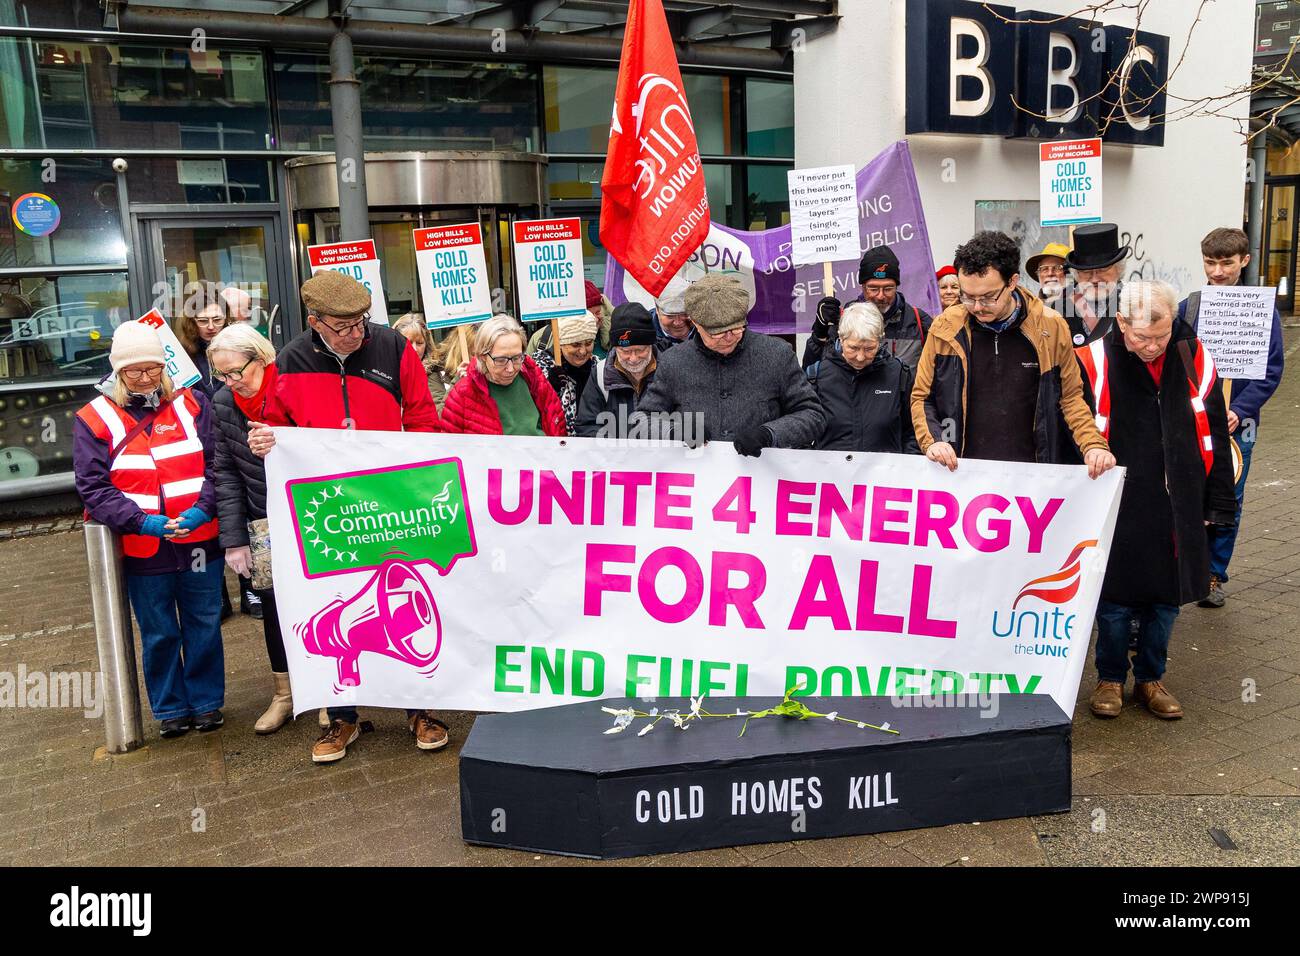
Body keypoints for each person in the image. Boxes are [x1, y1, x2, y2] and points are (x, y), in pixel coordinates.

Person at [247, 270, 444, 764]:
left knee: (402, 594)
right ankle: (342, 717)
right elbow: (276, 428)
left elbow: (421, 416)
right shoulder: (289, 362)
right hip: (328, 509)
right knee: (330, 599)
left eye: (361, 322)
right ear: (314, 322)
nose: (356, 333)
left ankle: (419, 709)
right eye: (343, 325)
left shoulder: (394, 348)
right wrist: (266, 442)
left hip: (392, 501)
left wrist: (416, 480)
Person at [1076, 281, 1237, 720]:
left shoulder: (1193, 356)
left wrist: (1217, 503)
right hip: (1118, 500)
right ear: (1122, 323)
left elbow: (1216, 432)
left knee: (1166, 600)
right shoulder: (1093, 360)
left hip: (1178, 496)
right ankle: (1109, 678)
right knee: (1114, 600)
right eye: (1141, 337)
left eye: (1160, 337)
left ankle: (1150, 678)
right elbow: (1074, 430)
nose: (1151, 347)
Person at [73, 322, 225, 739]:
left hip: (197, 538)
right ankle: (171, 707)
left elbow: (217, 465)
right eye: (134, 371)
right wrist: (142, 521)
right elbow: (93, 487)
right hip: (144, 544)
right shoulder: (94, 417)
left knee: (204, 622)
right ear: (117, 371)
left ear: (164, 367)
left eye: (153, 369)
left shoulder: (194, 404)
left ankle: (207, 703)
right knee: (159, 630)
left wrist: (201, 510)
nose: (144, 378)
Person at [911, 230, 1115, 477]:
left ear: (1012, 282)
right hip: (962, 476)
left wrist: (1092, 445)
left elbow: (1071, 397)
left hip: (1031, 477)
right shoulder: (944, 328)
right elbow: (922, 396)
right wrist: (933, 441)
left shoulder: (1050, 327)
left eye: (988, 297)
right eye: (968, 297)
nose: (977, 307)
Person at [1178, 227, 1286, 608]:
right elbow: (1174, 361)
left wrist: (1239, 411)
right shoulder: (1189, 306)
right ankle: (1183, 564)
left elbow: (1271, 371)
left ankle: (1213, 573)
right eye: (1211, 262)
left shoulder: (1262, 310)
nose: (1218, 271)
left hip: (1240, 425)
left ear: (1245, 260)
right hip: (1192, 419)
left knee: (1229, 498)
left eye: (1226, 263)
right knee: (1186, 489)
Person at [208, 323, 294, 734]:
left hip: (313, 514)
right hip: (264, 519)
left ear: (261, 360)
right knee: (274, 609)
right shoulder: (222, 403)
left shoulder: (293, 387)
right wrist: (235, 539)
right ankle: (285, 694)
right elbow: (224, 472)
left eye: (236, 371)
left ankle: (333, 697)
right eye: (221, 375)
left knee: (323, 604)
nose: (230, 382)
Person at [635, 273, 825, 454]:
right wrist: (677, 431)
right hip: (696, 478)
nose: (728, 338)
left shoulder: (777, 355)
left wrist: (770, 434)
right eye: (717, 333)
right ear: (695, 323)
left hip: (762, 478)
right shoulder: (673, 361)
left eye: (735, 329)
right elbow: (642, 420)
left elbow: (812, 415)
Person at [807, 302, 919, 454]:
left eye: (869, 349)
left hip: (885, 474)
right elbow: (802, 431)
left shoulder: (899, 374)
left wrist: (904, 468)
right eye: (853, 348)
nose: (860, 357)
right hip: (832, 474)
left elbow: (913, 431)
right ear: (841, 338)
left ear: (880, 341)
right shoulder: (817, 375)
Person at [805, 243, 932, 371]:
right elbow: (811, 374)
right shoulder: (843, 320)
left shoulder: (918, 322)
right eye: (873, 288)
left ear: (896, 286)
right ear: (862, 286)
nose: (881, 296)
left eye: (888, 288)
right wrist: (819, 334)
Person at [441, 315, 567, 436]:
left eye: (517, 358)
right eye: (501, 360)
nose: (511, 369)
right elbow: (449, 446)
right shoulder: (463, 393)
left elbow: (557, 428)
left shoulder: (534, 377)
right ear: (482, 356)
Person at [575, 303, 660, 438]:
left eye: (640, 350)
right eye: (625, 351)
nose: (633, 358)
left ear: (650, 345)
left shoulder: (670, 370)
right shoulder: (600, 373)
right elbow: (587, 425)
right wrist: (616, 452)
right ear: (615, 348)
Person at [531, 312, 598, 435]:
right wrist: (550, 388)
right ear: (560, 343)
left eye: (588, 343)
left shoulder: (598, 368)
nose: (583, 351)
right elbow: (532, 415)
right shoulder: (538, 368)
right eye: (575, 344)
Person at [1063, 223, 1128, 346]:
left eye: (1103, 269)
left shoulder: (1135, 302)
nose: (1094, 279)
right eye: (1086, 271)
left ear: (1119, 269)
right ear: (1076, 274)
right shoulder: (1061, 307)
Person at [527, 281, 612, 356]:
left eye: (598, 312)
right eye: (588, 315)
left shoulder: (612, 334)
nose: (595, 319)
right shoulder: (542, 338)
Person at [393, 312, 452, 411]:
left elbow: (441, 416)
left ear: (426, 344)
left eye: (419, 343)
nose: (414, 349)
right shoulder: (383, 372)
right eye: (408, 342)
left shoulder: (433, 375)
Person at [173, 296, 225, 400]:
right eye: (203, 321)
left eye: (217, 320)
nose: (211, 327)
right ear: (191, 322)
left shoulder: (238, 349)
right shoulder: (181, 353)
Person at [1025, 242, 1071, 314]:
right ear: (1038, 274)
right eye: (1044, 269)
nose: (1050, 273)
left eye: (1057, 268)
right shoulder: (1029, 311)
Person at [652, 277, 694, 350]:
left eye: (684, 314)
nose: (678, 322)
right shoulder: (643, 333)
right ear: (657, 310)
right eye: (670, 316)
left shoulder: (708, 325)